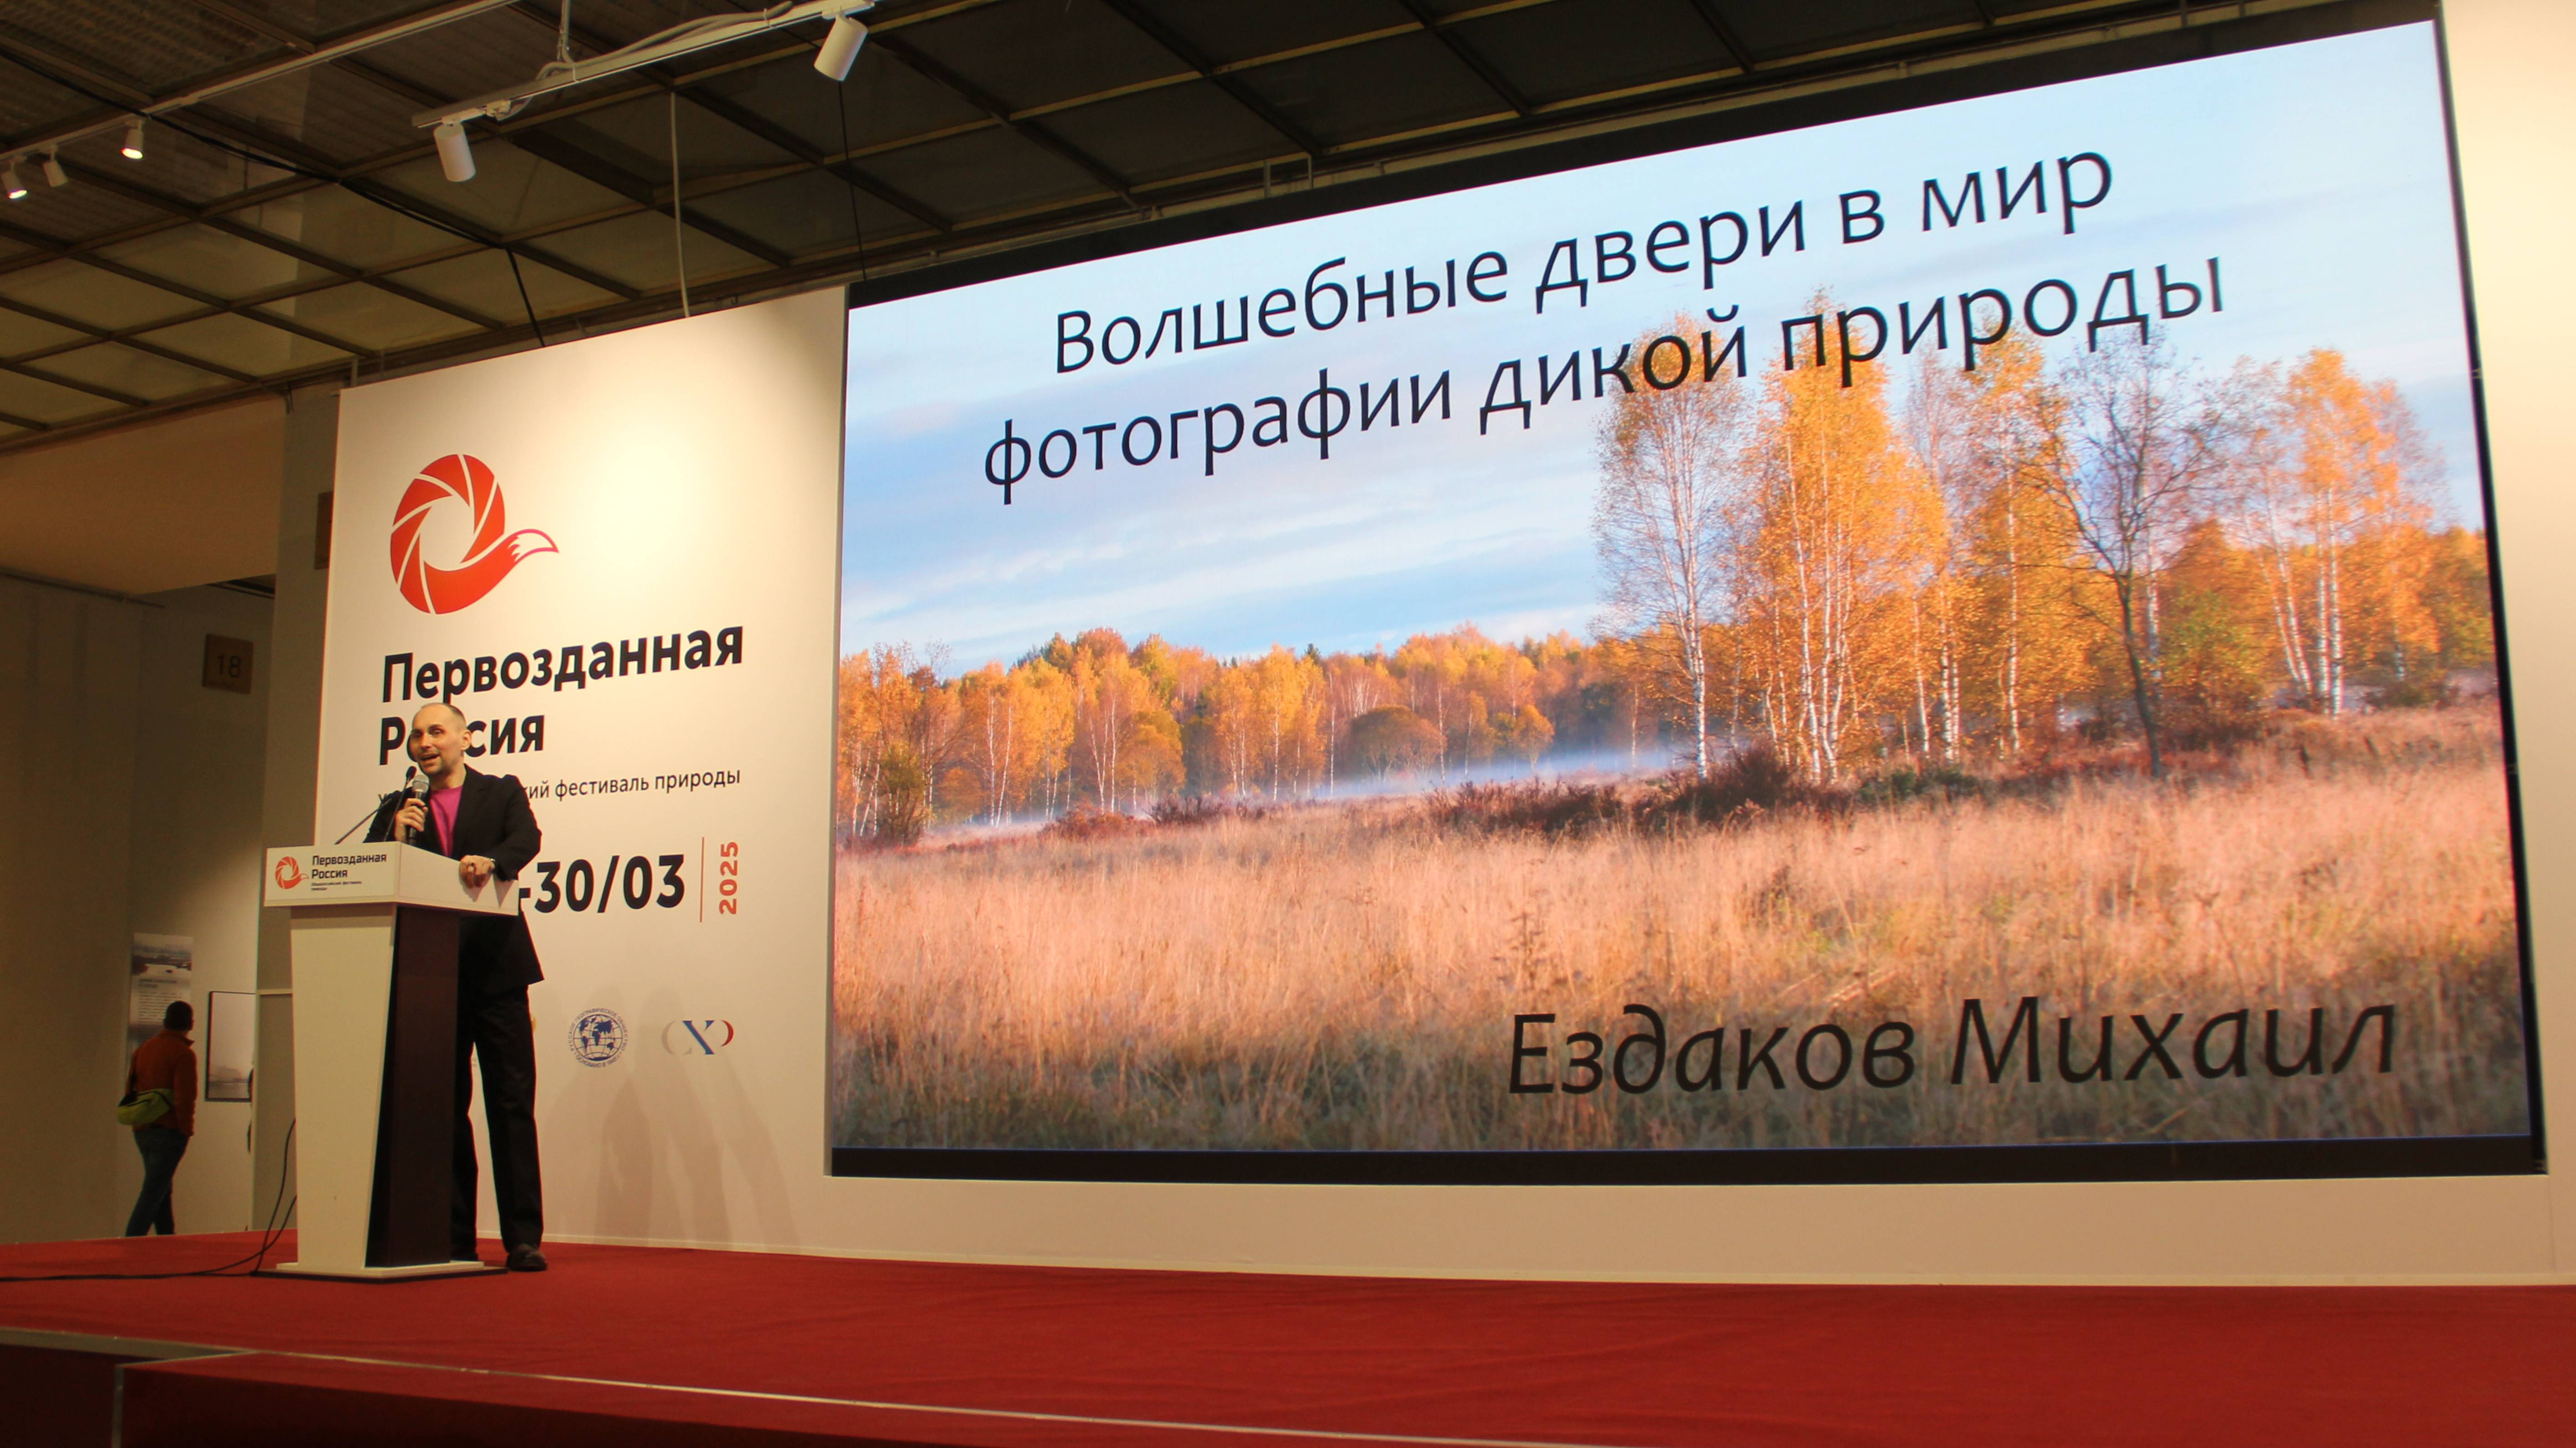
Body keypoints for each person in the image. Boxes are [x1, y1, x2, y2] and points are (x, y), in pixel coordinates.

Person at [367, 701, 550, 1272]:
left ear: (465, 738)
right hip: (428, 978)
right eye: (415, 734)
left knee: (510, 1103)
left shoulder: (500, 791)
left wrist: (491, 861)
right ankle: (453, 1238)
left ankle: (523, 1237)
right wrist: (395, 838)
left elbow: (526, 840)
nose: (424, 742)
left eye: (436, 731)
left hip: (495, 973)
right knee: (444, 1109)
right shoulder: (399, 807)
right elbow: (372, 872)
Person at [125, 999, 197, 1236]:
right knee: (154, 1191)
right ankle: (132, 1242)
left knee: (161, 1188)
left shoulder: (144, 1049)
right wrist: (186, 1129)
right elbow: (185, 1098)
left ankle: (167, 1239)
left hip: (143, 1128)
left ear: (165, 1022)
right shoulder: (183, 1054)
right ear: (190, 1024)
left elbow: (131, 1088)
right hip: (169, 1130)